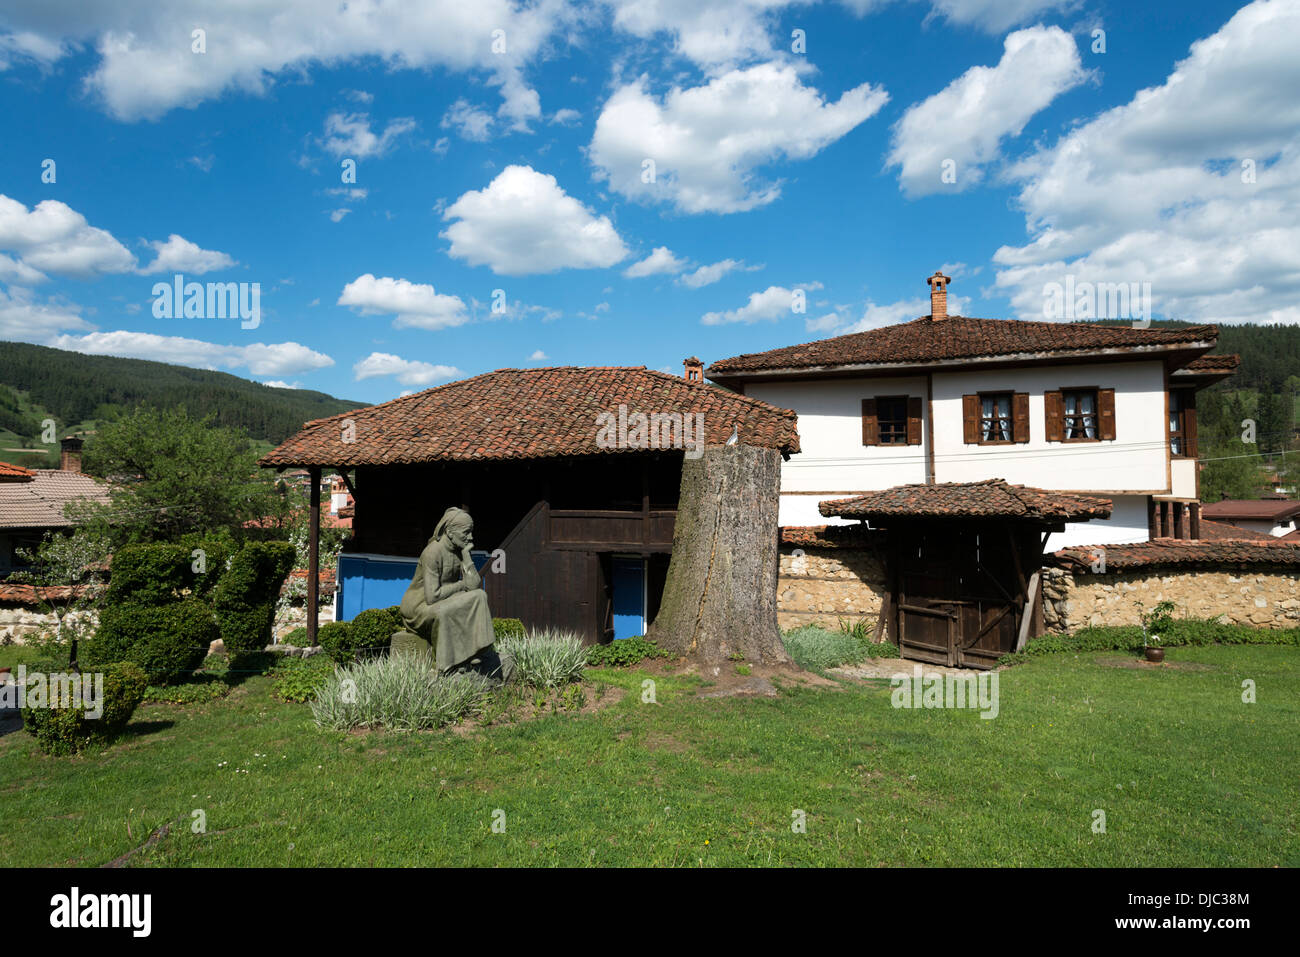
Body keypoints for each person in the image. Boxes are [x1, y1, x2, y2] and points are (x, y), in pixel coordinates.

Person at [398, 506, 506, 678]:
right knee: (445, 612)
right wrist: (460, 586)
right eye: (466, 533)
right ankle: (447, 665)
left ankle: (476, 651)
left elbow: (474, 587)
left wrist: (466, 555)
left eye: (471, 532)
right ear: (449, 532)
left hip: (444, 596)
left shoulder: (459, 551)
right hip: (419, 605)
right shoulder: (432, 553)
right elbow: (432, 596)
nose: (470, 537)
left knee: (479, 596)